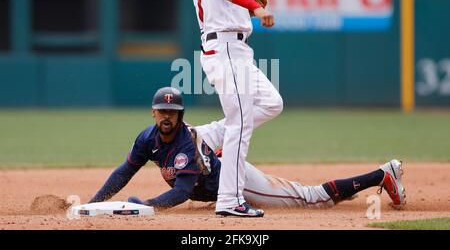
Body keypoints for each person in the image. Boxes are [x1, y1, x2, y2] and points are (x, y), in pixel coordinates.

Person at [89, 87, 406, 214]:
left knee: (311, 200)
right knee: (224, 129)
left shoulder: (187, 145)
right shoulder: (148, 138)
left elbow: (183, 191)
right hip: (212, 155)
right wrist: (94, 202)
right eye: (162, 111)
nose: (167, 116)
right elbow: (124, 170)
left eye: (173, 112)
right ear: (153, 113)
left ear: (180, 115)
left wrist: (148, 206)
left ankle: (384, 173)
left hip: (236, 180)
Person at [192, 0, 283, 217]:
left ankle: (205, 135)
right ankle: (230, 200)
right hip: (227, 49)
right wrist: (256, 8)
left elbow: (227, 0)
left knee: (271, 102)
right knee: (239, 125)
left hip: (234, 49)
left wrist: (247, 5)